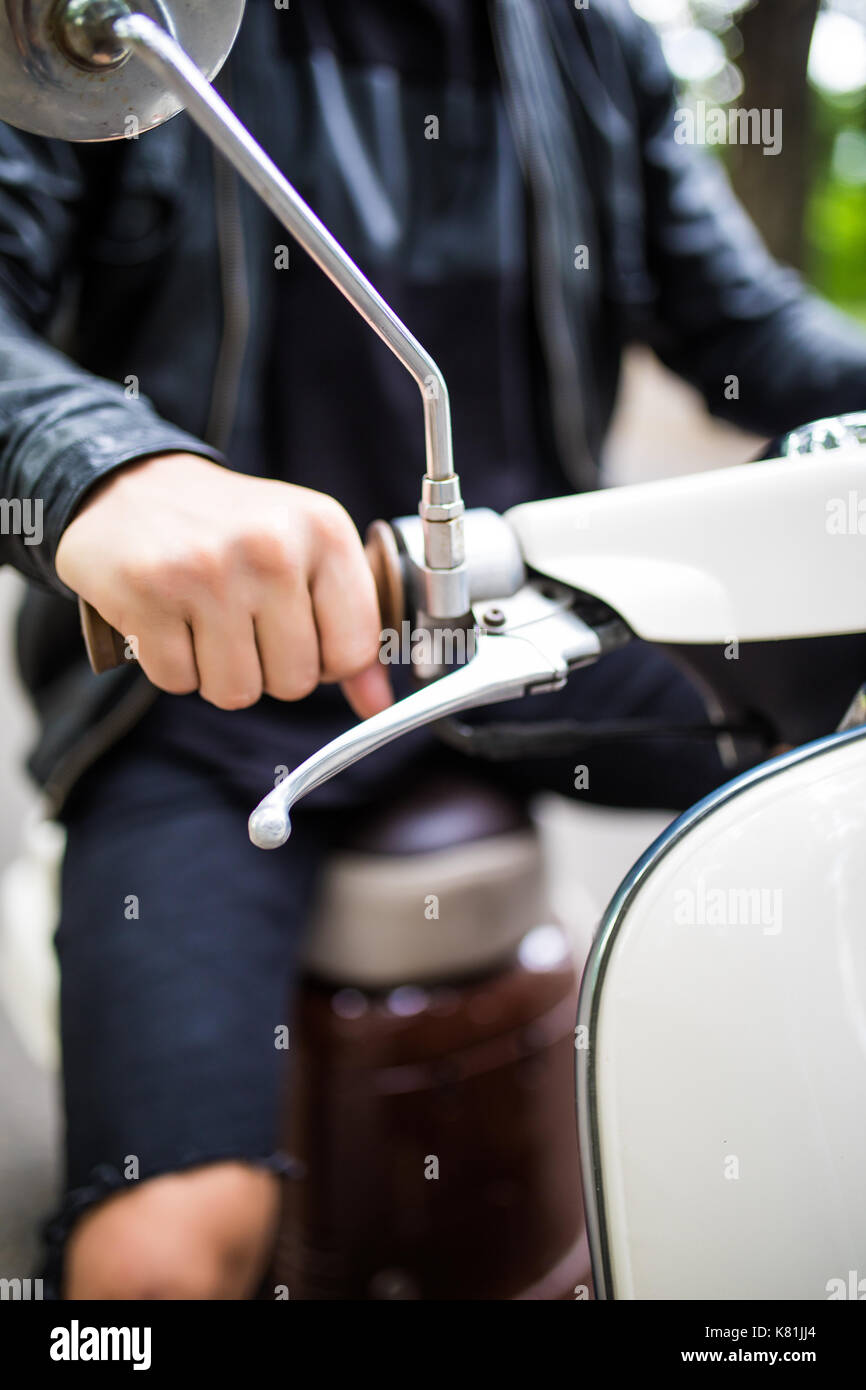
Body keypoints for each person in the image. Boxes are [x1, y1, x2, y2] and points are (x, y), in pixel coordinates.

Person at [1, 0, 864, 1299]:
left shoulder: (597, 44)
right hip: (212, 697)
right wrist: (104, 465)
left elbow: (745, 327)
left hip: (548, 630)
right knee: (165, 1252)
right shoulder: (123, 23)